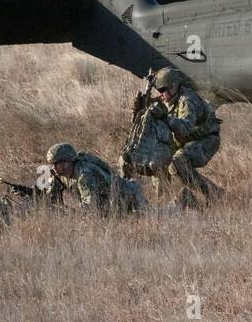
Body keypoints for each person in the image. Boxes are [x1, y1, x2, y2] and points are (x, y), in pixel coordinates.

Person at [142, 67, 222, 207]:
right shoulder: (168, 98)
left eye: (162, 90)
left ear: (173, 87)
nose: (160, 94)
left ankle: (213, 193)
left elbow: (185, 128)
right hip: (185, 140)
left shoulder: (188, 100)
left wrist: (165, 117)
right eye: (158, 90)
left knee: (178, 162)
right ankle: (162, 201)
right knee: (158, 158)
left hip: (206, 139)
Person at [44, 142, 146, 214]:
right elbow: (50, 197)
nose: (54, 168)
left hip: (131, 200)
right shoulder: (65, 172)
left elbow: (91, 209)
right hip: (117, 199)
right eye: (53, 164)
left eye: (57, 163)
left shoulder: (84, 176)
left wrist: (67, 212)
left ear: (68, 162)